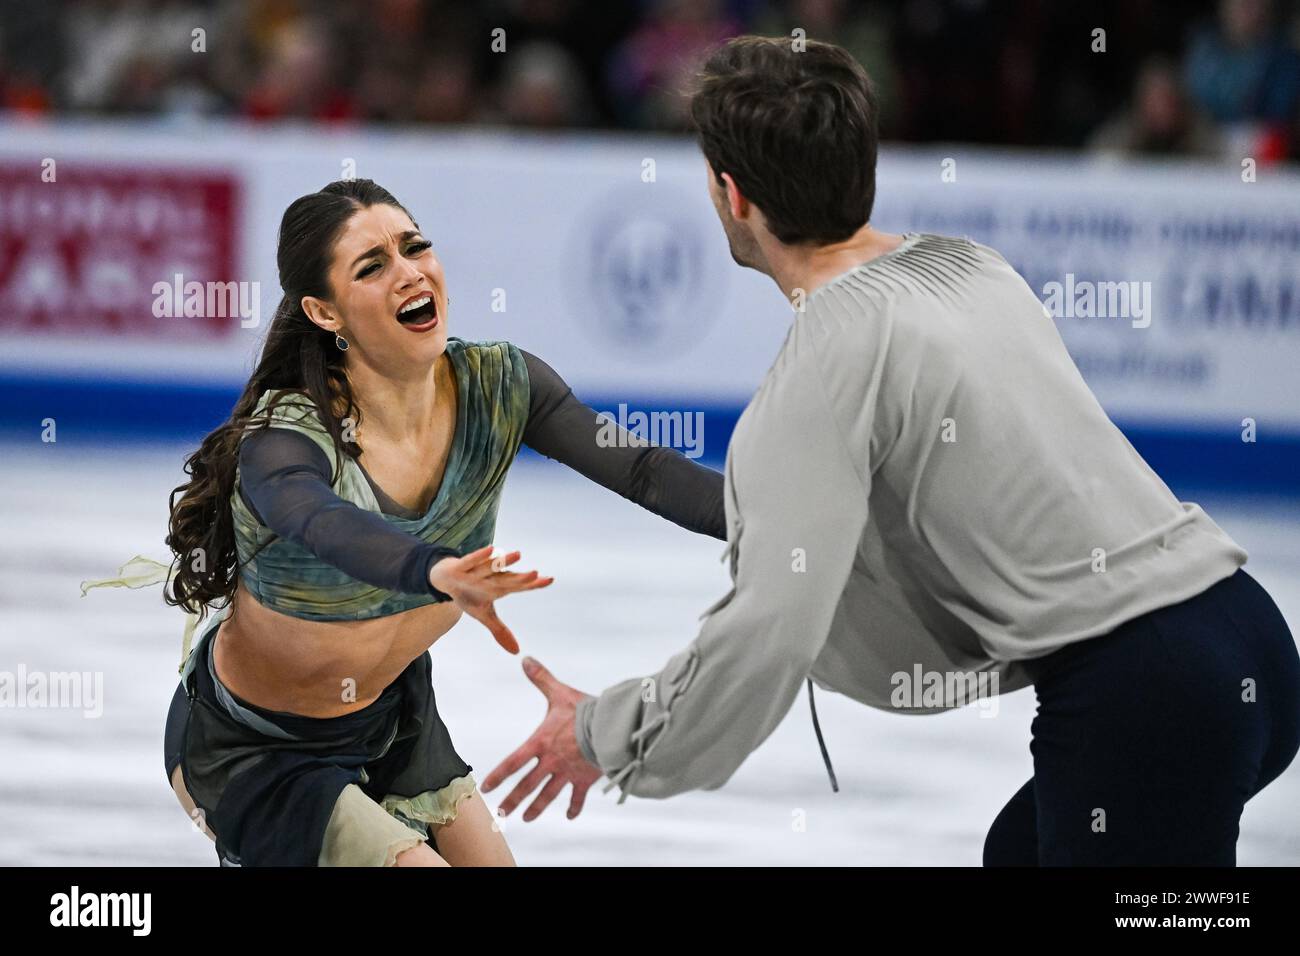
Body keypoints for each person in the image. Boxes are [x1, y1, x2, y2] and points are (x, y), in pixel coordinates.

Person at [482, 36, 1300, 865]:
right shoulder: (974, 267)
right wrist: (567, 422)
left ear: (732, 196)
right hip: (1246, 639)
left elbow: (767, 634)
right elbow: (781, 507)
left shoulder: (822, 367)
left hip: (1148, 690)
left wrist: (604, 733)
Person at [81, 178, 724, 867]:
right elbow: (318, 520)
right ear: (324, 313)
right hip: (256, 749)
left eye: (414, 247)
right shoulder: (286, 438)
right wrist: (432, 567)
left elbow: (645, 471)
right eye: (372, 266)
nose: (409, 272)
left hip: (393, 723)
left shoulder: (500, 388)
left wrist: (775, 524)